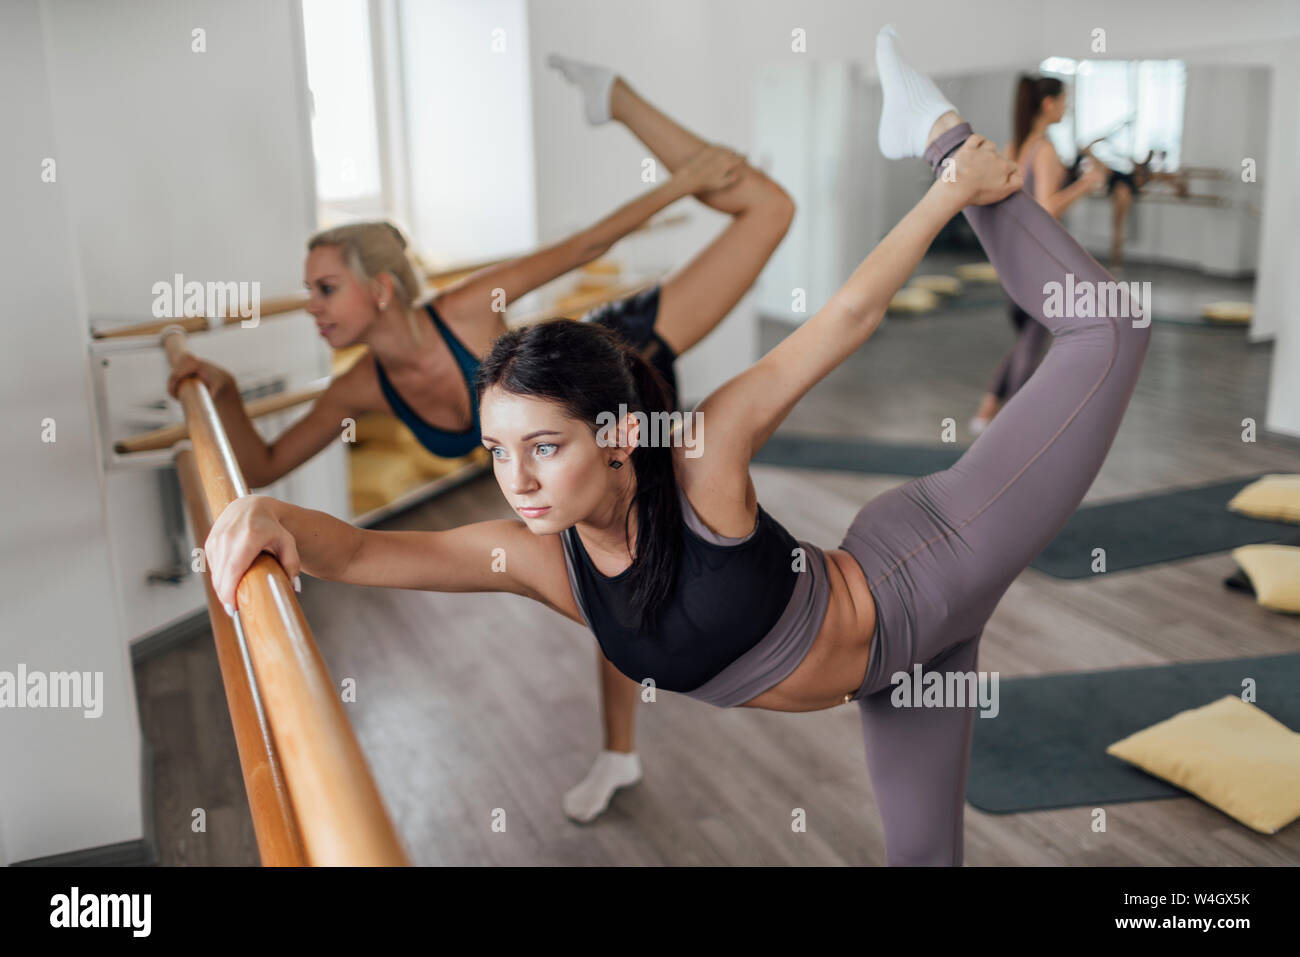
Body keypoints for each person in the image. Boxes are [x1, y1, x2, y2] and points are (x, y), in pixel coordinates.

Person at [201, 25, 1152, 866]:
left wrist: (953, 182)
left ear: (615, 436)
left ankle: (934, 127)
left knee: (1107, 327)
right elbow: (363, 550)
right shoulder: (542, 563)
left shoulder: (702, 459)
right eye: (496, 452)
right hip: (894, 659)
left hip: (929, 565)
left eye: (543, 447)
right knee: (921, 854)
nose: (516, 482)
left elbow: (849, 315)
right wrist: (272, 517)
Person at [168, 63, 797, 822]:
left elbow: (585, 244)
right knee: (614, 575)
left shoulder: (468, 310)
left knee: (767, 208)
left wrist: (683, 183)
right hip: (577, 446)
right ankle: (619, 752)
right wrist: (225, 394)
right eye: (309, 291)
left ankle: (619, 100)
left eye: (325, 287)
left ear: (381, 290)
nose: (312, 307)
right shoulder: (358, 389)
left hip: (622, 355)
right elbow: (264, 465)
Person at [968, 73, 1105, 435]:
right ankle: (1008, 426)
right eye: (1064, 101)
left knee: (1028, 337)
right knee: (1033, 338)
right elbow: (1046, 208)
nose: (1067, 107)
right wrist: (1086, 185)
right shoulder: (1043, 149)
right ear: (1048, 104)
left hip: (1011, 261)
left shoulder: (1015, 145)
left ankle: (986, 412)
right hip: (1036, 263)